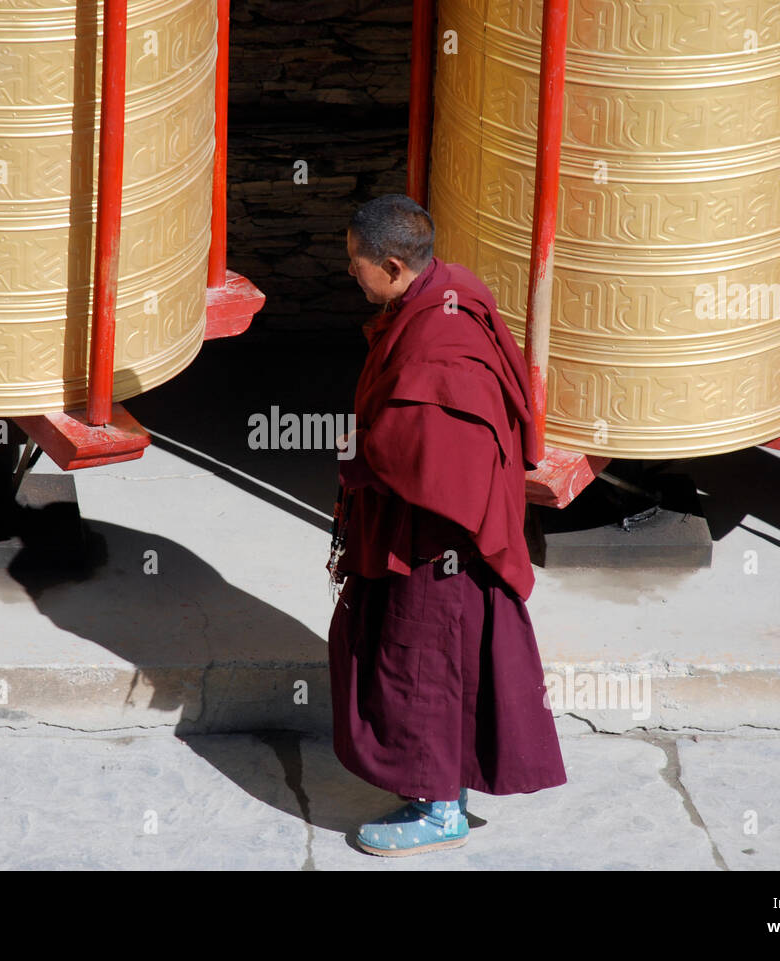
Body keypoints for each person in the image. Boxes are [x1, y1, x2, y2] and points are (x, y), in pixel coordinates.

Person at [327, 193, 567, 856]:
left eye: (358, 263)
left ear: (397, 265)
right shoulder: (452, 290)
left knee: (420, 662)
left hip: (438, 537)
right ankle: (444, 789)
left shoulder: (442, 338)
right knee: (442, 662)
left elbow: (430, 445)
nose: (351, 273)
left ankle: (437, 811)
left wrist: (357, 452)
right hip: (441, 525)